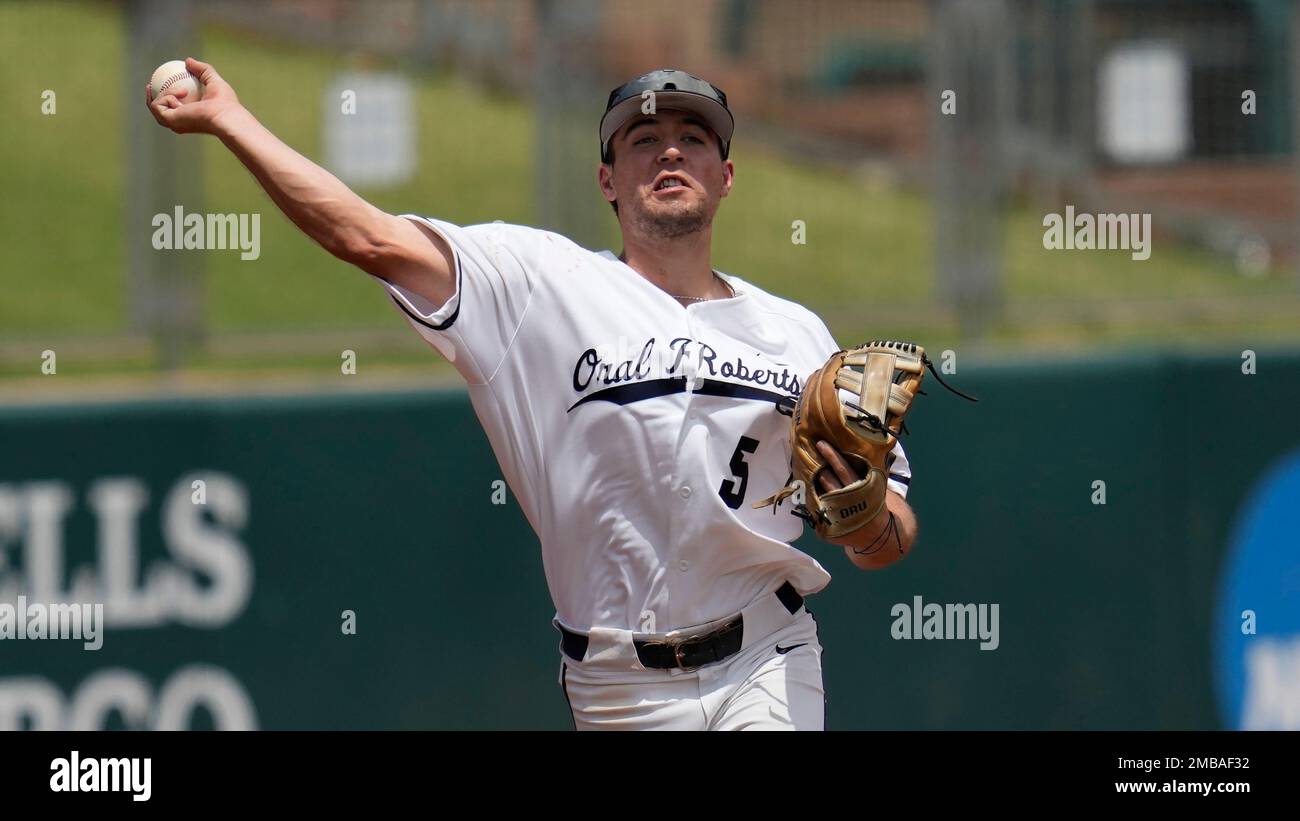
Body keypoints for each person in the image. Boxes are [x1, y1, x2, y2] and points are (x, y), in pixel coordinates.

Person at [148, 62, 918, 730]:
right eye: (643, 139)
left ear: (726, 174)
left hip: (766, 655)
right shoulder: (537, 284)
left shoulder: (797, 334)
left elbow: (890, 542)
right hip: (617, 683)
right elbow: (369, 237)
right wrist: (232, 120)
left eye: (696, 136)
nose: (671, 149)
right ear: (608, 181)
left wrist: (868, 517)